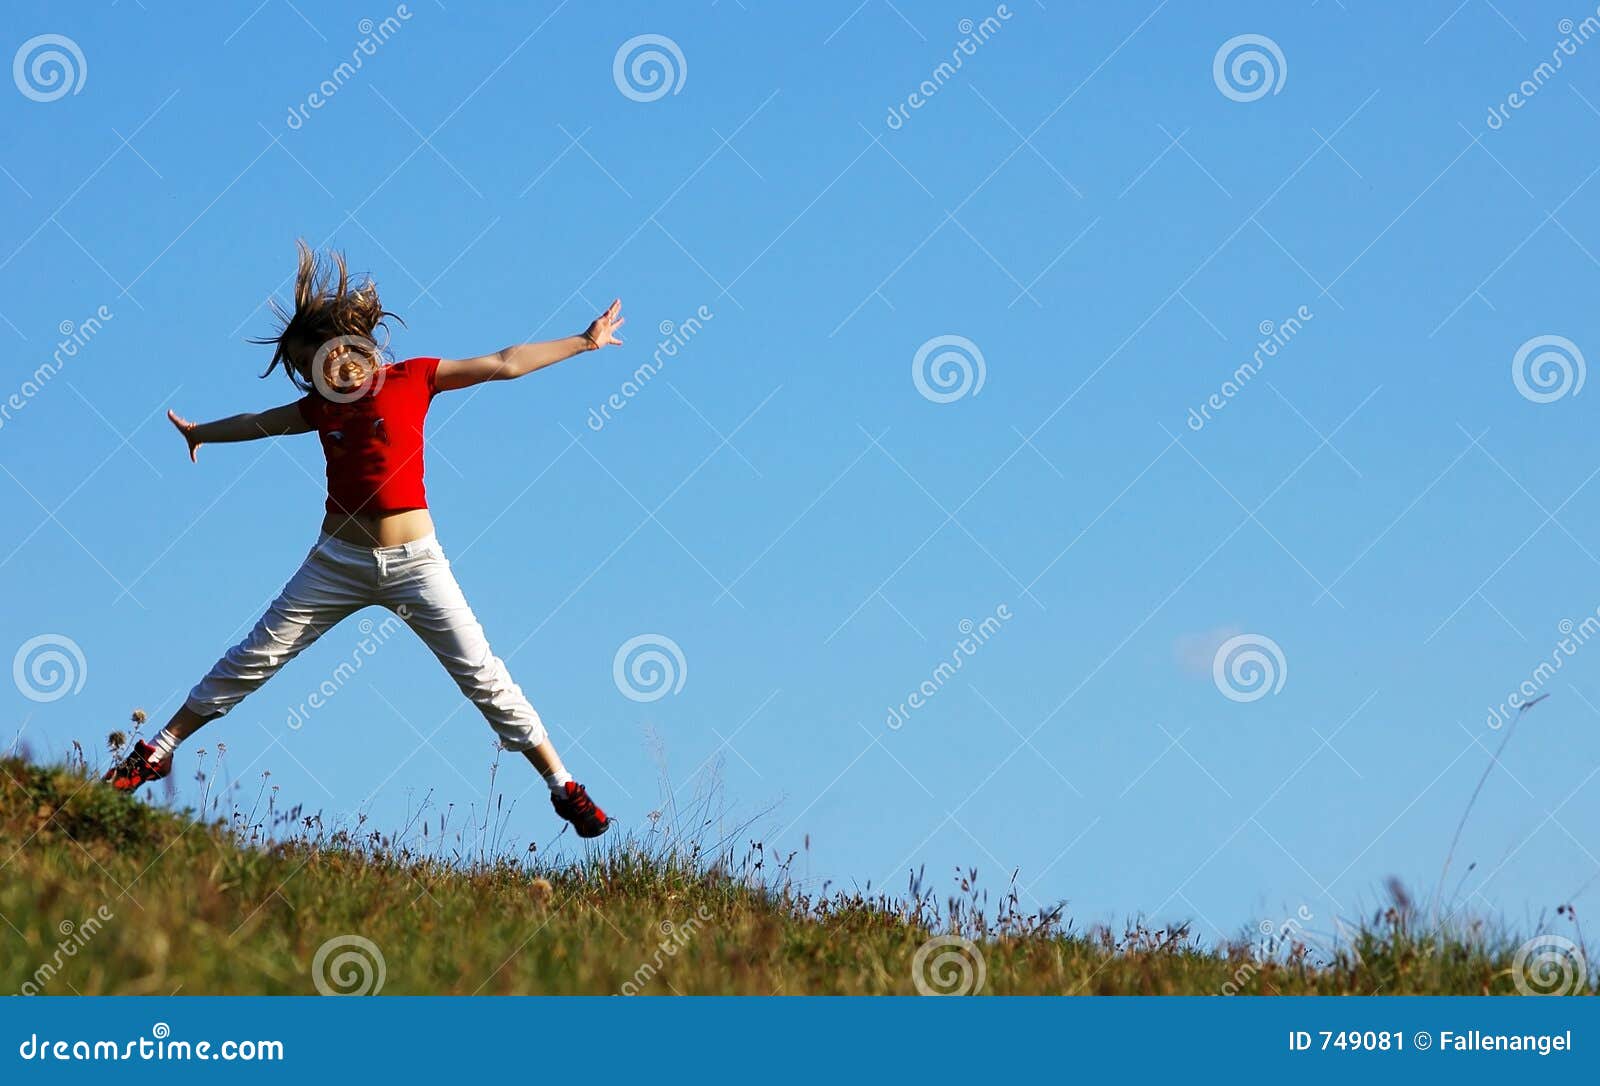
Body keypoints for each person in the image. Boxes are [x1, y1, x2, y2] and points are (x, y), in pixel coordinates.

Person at [104, 243, 621, 838]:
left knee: (483, 675)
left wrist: (584, 340)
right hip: (338, 563)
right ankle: (159, 749)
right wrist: (202, 434)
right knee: (253, 658)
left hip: (418, 565)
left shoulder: (415, 377)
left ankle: (563, 787)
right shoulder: (319, 408)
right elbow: (257, 422)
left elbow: (504, 361)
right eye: (304, 371)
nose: (315, 376)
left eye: (316, 361)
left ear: (346, 345)